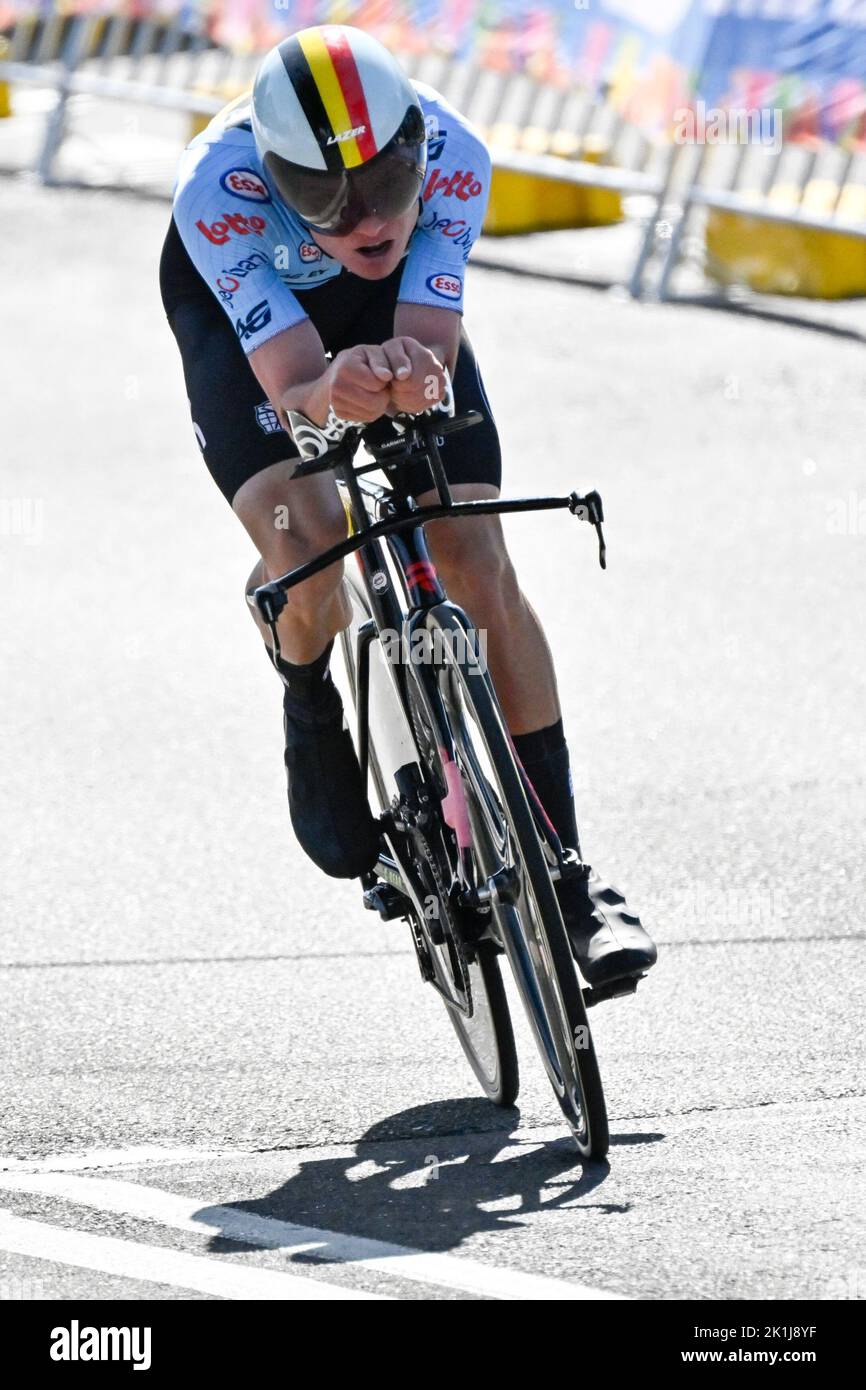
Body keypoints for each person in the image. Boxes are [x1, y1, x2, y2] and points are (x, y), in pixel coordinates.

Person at [158, 24, 656, 989]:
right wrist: (327, 393)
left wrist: (403, 377)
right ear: (272, 173)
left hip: (384, 324)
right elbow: (296, 382)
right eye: (324, 199)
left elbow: (429, 343)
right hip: (253, 330)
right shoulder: (218, 192)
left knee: (473, 554)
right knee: (314, 542)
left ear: (418, 145)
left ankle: (568, 880)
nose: (366, 220)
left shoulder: (459, 154)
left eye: (387, 184)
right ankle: (310, 692)